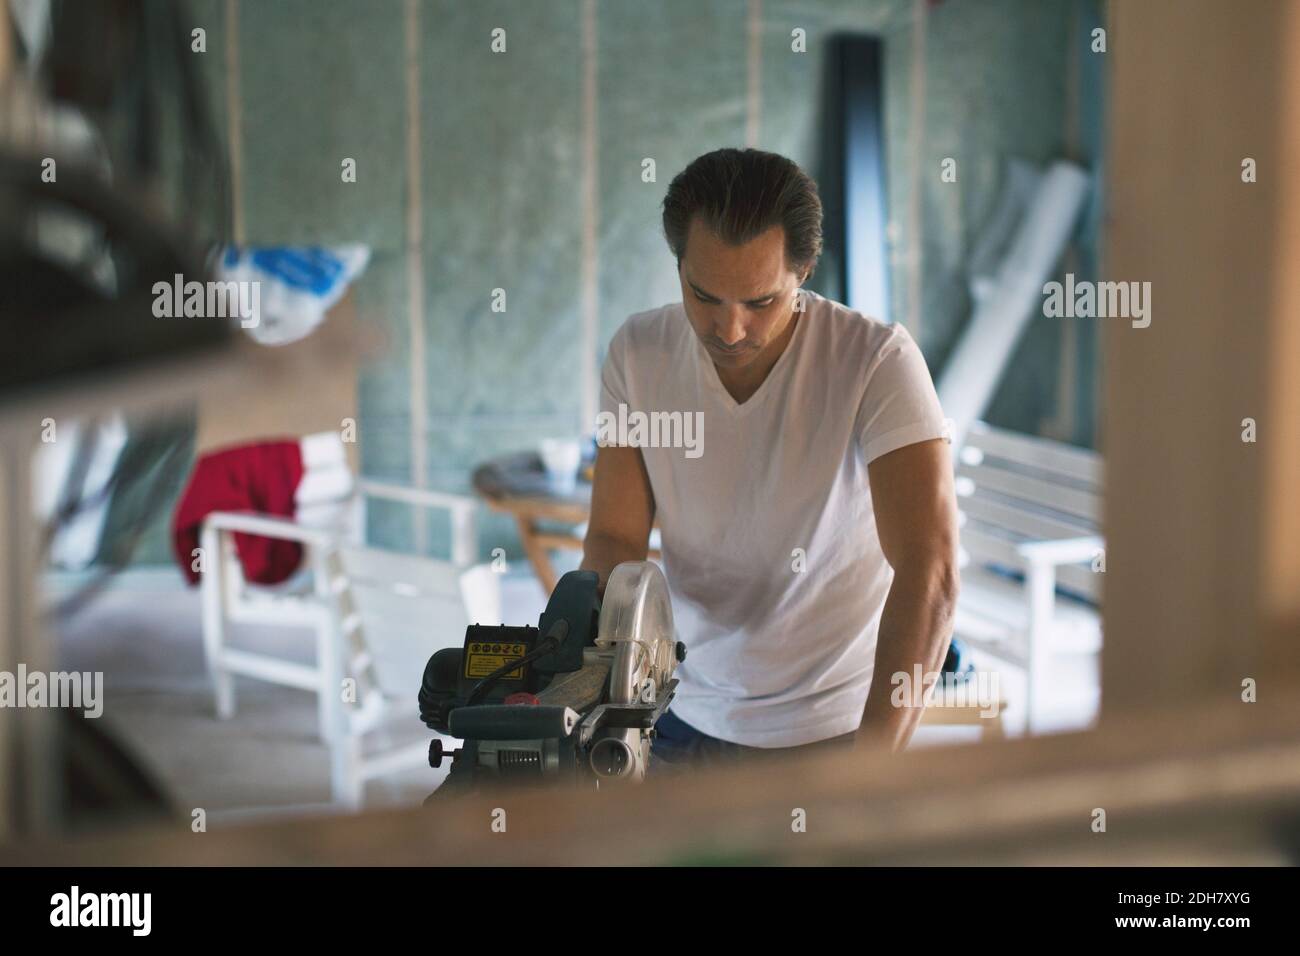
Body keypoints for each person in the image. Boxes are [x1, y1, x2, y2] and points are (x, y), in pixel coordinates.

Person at [581, 148, 959, 771]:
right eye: (705, 296)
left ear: (804, 269)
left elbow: (931, 570)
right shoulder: (638, 353)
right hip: (681, 710)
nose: (729, 329)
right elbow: (615, 535)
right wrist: (591, 676)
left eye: (760, 302)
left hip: (835, 726)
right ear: (679, 264)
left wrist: (874, 768)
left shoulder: (875, 362)